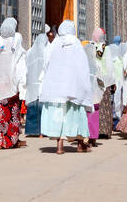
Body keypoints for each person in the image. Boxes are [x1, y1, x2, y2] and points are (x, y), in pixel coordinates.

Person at [38, 20, 96, 153]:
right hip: (73, 87)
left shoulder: (55, 43)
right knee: (76, 114)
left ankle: (59, 145)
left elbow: (47, 64)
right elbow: (82, 67)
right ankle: (81, 145)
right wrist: (84, 86)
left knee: (59, 116)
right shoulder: (76, 43)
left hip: (57, 88)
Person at [0, 17, 28, 149]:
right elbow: (20, 63)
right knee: (12, 113)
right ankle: (10, 140)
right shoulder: (16, 41)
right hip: (10, 84)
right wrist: (22, 83)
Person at [22, 31, 47, 137]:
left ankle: (32, 130)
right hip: (41, 84)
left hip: (31, 84)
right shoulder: (45, 52)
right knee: (42, 109)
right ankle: (42, 131)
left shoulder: (29, 52)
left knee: (32, 107)